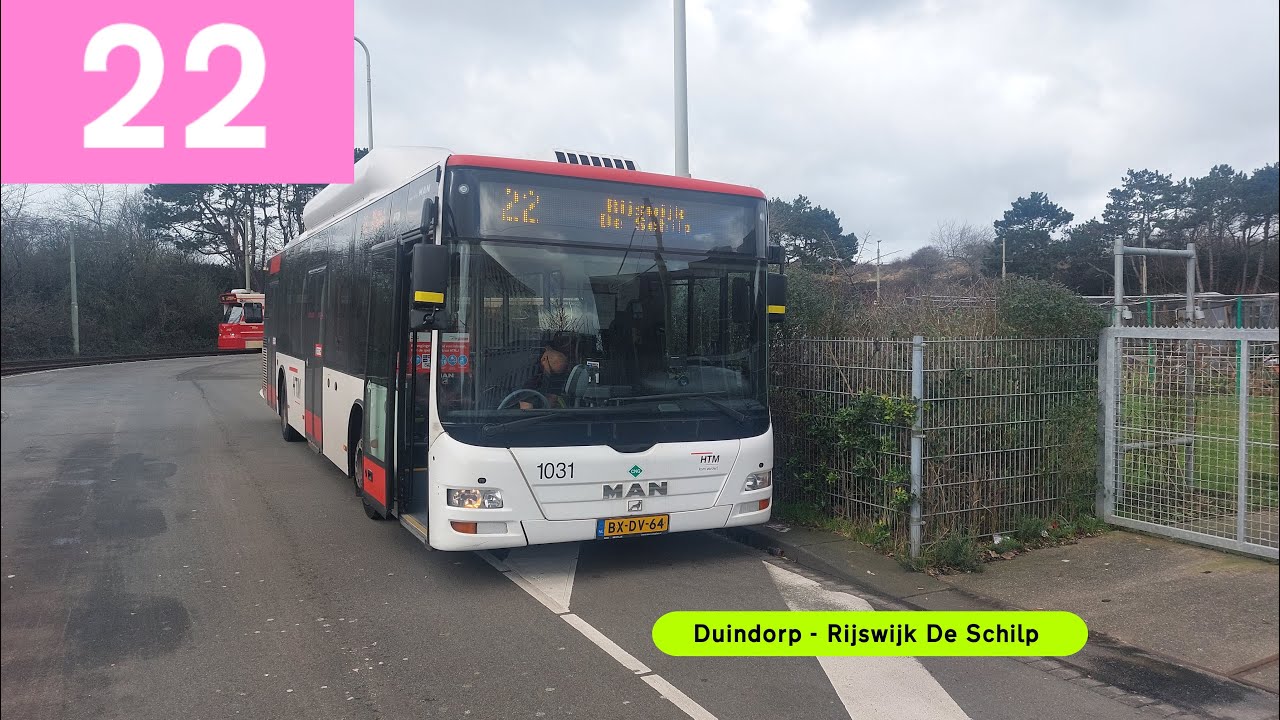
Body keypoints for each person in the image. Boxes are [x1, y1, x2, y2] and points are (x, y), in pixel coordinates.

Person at [519, 332, 575, 409]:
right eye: (551, 371)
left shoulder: (553, 377)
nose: (553, 375)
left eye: (555, 374)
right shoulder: (531, 375)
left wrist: (548, 375)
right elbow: (526, 409)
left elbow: (551, 402)